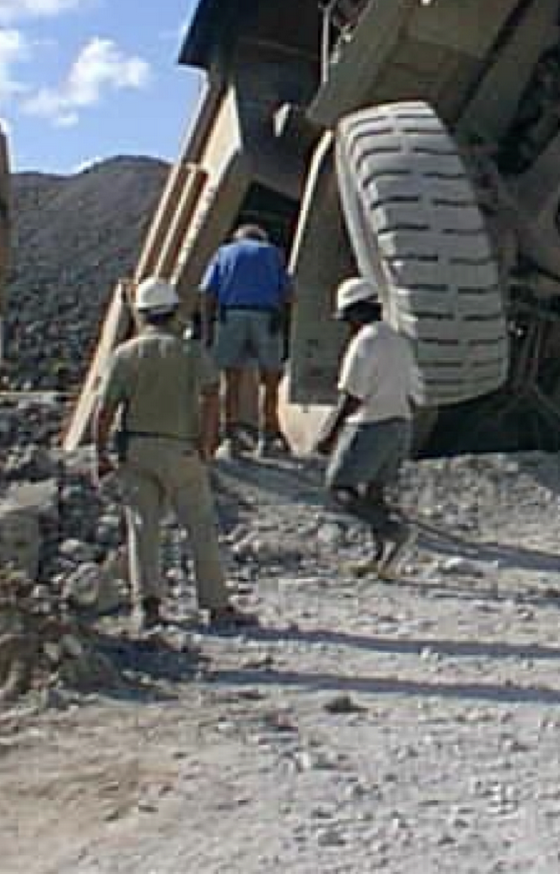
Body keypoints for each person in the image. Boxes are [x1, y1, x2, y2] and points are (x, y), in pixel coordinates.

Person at [94, 276, 256, 632]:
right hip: (182, 448)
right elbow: (213, 394)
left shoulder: (125, 355)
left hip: (136, 448)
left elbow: (104, 409)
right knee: (200, 527)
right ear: (172, 313)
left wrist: (100, 454)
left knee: (142, 529)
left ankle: (147, 606)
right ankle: (216, 606)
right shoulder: (190, 353)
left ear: (141, 314)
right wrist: (207, 443)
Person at [313, 276, 421, 580]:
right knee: (374, 494)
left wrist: (328, 435)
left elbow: (352, 395)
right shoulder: (396, 339)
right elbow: (414, 391)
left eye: (348, 316)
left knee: (339, 487)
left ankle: (393, 531)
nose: (347, 324)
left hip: (370, 423)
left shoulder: (365, 342)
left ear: (359, 311)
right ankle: (380, 559)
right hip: (400, 422)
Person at [199, 223, 293, 456]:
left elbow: (207, 292)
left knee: (231, 379)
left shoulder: (224, 253)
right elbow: (288, 293)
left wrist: (208, 329)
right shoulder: (273, 253)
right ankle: (267, 437)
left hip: (231, 316)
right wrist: (283, 323)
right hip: (266, 316)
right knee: (269, 380)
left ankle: (231, 438)